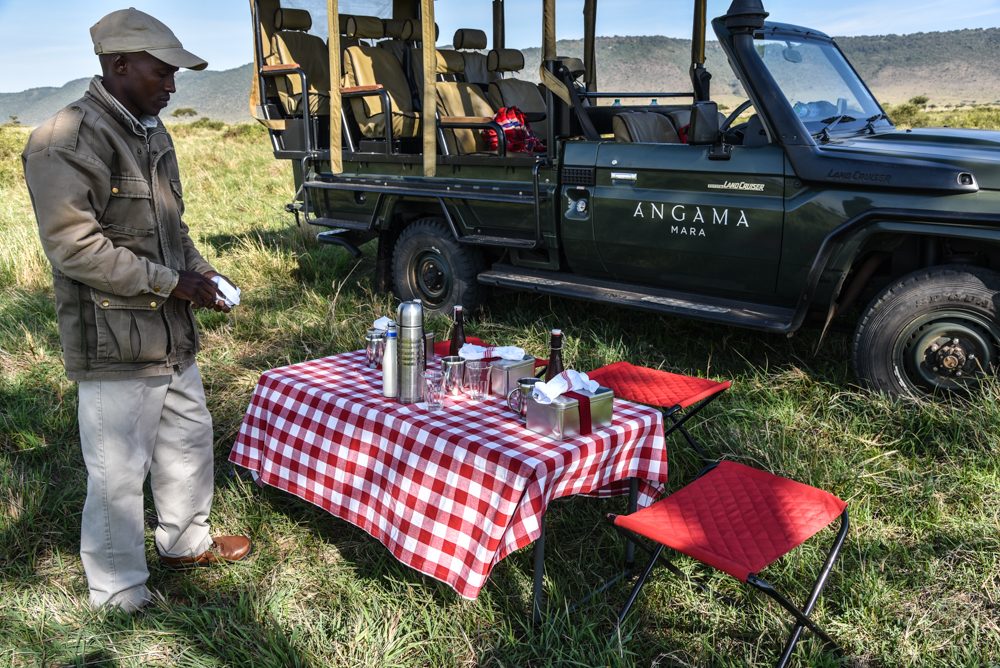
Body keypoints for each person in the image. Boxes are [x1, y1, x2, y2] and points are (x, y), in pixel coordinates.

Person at [22, 8, 251, 613]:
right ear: (119, 64)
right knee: (118, 470)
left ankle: (186, 543)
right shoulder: (65, 141)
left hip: (170, 332)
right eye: (162, 73)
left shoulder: (151, 132)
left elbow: (174, 229)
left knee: (188, 438)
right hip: (114, 338)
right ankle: (119, 590)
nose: (172, 86)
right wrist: (174, 283)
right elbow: (76, 249)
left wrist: (203, 274)